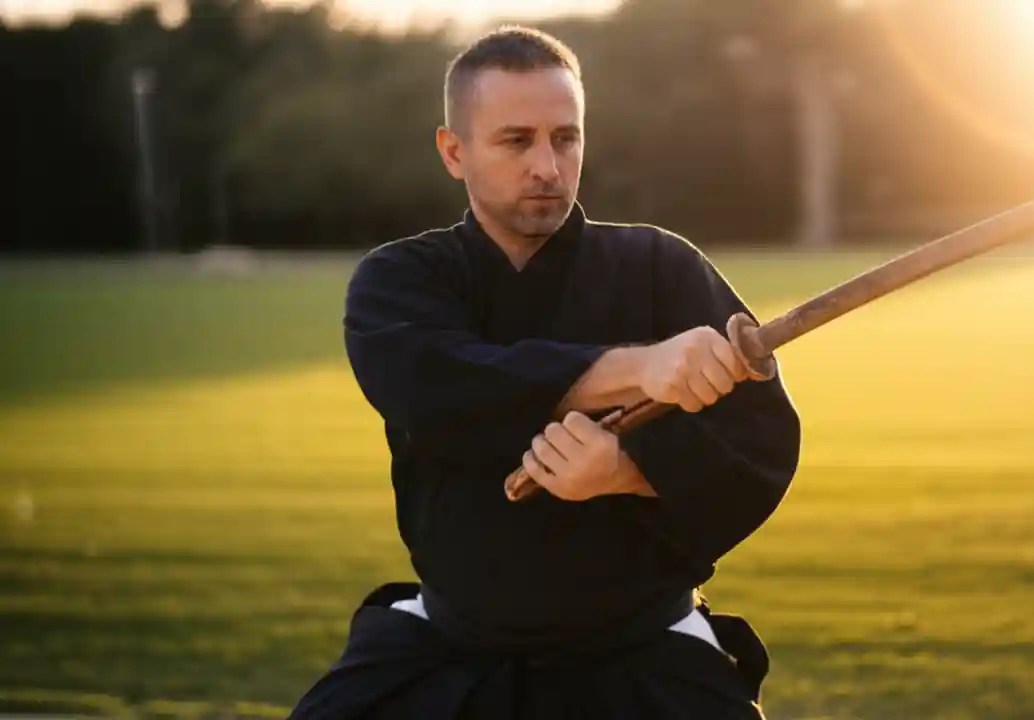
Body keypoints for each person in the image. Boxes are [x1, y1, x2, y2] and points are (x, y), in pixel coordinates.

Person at [289, 25, 801, 720]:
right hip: (448, 648)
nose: (548, 166)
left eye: (566, 138)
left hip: (644, 650)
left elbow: (764, 444)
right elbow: (442, 385)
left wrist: (630, 470)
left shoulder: (662, 269)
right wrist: (640, 369)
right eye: (516, 140)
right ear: (453, 150)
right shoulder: (401, 280)